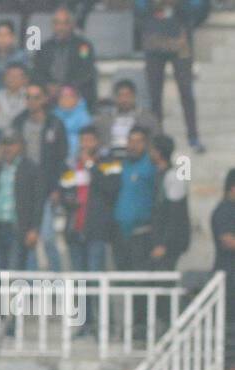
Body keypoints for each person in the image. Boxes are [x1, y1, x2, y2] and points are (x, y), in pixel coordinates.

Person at [136, 0, 207, 152]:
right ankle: (157, 138)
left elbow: (199, 6)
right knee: (154, 94)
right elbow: (138, 7)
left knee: (186, 91)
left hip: (181, 42)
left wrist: (180, 4)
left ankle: (193, 136)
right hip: (153, 41)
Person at [12, 83, 67, 270]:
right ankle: (32, 287)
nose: (31, 101)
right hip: (23, 187)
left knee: (48, 237)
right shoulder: (18, 123)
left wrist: (57, 188)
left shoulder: (55, 124)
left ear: (44, 99)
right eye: (28, 97)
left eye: (36, 97)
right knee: (27, 240)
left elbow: (62, 158)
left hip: (47, 187)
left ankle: (57, 282)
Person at [0, 133, 43, 270]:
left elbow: (38, 201)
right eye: (5, 144)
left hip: (18, 228)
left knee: (15, 271)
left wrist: (34, 228)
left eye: (12, 144)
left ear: (20, 146)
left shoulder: (30, 169)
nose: (8, 148)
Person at [60, 127, 118, 276]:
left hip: (96, 230)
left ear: (97, 142)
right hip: (75, 229)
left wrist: (91, 166)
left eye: (89, 141)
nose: (85, 145)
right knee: (79, 280)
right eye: (83, 141)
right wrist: (69, 200)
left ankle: (97, 301)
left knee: (95, 276)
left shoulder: (109, 163)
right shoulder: (71, 165)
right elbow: (64, 191)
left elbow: (111, 188)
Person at [30, 5, 97, 107]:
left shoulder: (83, 46)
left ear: (72, 25)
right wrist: (48, 86)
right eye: (57, 23)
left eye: (65, 23)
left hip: (74, 93)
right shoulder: (43, 47)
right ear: (52, 25)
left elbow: (85, 70)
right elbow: (37, 72)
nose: (60, 27)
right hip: (48, 94)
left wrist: (64, 88)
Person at [112, 127, 157, 270]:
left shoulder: (151, 165)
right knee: (123, 277)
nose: (133, 146)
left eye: (138, 142)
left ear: (146, 144)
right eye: (131, 141)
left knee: (140, 278)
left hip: (141, 233)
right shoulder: (121, 165)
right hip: (120, 232)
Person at [148, 134, 189, 270]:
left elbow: (175, 214)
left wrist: (164, 244)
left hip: (169, 244)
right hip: (158, 238)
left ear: (158, 153)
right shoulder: (158, 174)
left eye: (152, 150)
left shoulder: (173, 177)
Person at [94, 79, 158, 157]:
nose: (124, 100)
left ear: (134, 96)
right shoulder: (103, 119)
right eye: (120, 96)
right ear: (115, 97)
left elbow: (155, 142)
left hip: (139, 159)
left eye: (128, 96)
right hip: (110, 158)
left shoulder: (147, 118)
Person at [212, 169, 235, 367]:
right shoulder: (225, 210)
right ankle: (229, 365)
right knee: (230, 324)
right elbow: (227, 241)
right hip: (229, 277)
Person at [52, 85, 90, 167]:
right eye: (62, 97)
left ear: (76, 99)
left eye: (69, 97)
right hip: (57, 158)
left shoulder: (84, 117)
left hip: (78, 157)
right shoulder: (53, 116)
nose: (65, 100)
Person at [0, 63, 29, 131]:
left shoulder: (29, 97)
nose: (12, 79)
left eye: (16, 76)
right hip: (0, 134)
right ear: (4, 78)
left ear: (24, 79)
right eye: (9, 76)